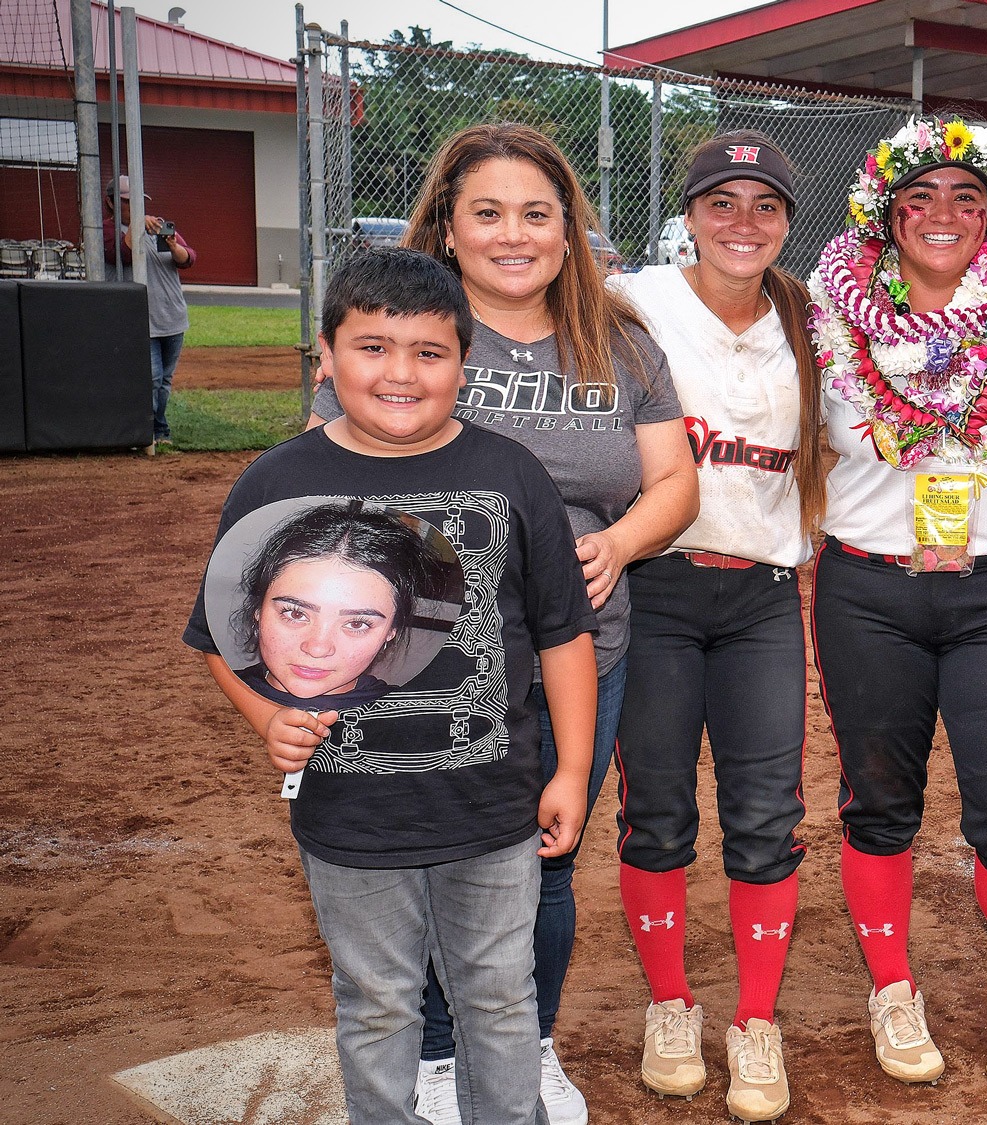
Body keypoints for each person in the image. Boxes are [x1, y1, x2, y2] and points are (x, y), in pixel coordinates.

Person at [310, 122, 698, 1125]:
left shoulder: (618, 342)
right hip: (418, 665)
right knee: (417, 851)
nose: (512, 234)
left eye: (537, 214)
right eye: (487, 213)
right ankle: (439, 1057)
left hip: (576, 650)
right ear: (446, 224)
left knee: (541, 852)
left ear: (568, 231)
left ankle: (520, 1046)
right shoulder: (402, 334)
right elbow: (326, 486)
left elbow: (673, 482)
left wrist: (621, 545)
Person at [186, 248, 600, 1125]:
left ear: (464, 361)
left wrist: (568, 771)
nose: (400, 373)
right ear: (326, 357)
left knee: (497, 998)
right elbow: (220, 637)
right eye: (372, 347)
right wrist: (269, 717)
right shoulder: (277, 482)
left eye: (429, 351)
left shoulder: (512, 471)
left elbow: (564, 633)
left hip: (492, 805)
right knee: (376, 1003)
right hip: (349, 814)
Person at [807, 115, 987, 1097]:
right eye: (917, 197)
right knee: (879, 805)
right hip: (868, 589)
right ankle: (892, 987)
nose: (941, 215)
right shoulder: (823, 310)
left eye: (966, 198)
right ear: (883, 214)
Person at [603, 132, 826, 1122]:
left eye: (764, 206)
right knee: (655, 805)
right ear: (688, 215)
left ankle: (757, 1021)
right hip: (653, 590)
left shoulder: (807, 317)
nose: (743, 223)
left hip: (763, 600)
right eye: (721, 203)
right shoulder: (636, 301)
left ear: (786, 222)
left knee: (764, 814)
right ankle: (668, 1005)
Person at [234, 503, 460, 709]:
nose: (317, 648)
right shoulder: (226, 690)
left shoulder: (412, 718)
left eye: (356, 623)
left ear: (391, 631)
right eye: (296, 613)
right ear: (258, 610)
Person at [107, 175, 196, 453]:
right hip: (140, 321)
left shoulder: (157, 226)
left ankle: (158, 427)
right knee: (152, 379)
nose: (134, 206)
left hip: (171, 317)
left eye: (137, 201)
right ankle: (145, 430)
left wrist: (172, 244)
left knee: (164, 380)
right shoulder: (108, 230)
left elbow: (189, 258)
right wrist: (136, 225)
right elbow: (122, 253)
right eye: (126, 201)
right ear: (111, 203)